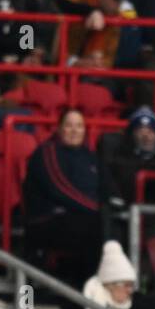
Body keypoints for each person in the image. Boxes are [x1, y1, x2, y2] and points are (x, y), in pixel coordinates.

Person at [23, 109, 103, 291]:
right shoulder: (47, 152)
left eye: (79, 126)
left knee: (114, 227)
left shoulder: (90, 157)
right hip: (47, 220)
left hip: (83, 219)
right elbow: (58, 188)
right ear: (59, 129)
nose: (74, 130)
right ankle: (86, 292)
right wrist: (94, 208)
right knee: (97, 228)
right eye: (69, 125)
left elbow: (105, 186)